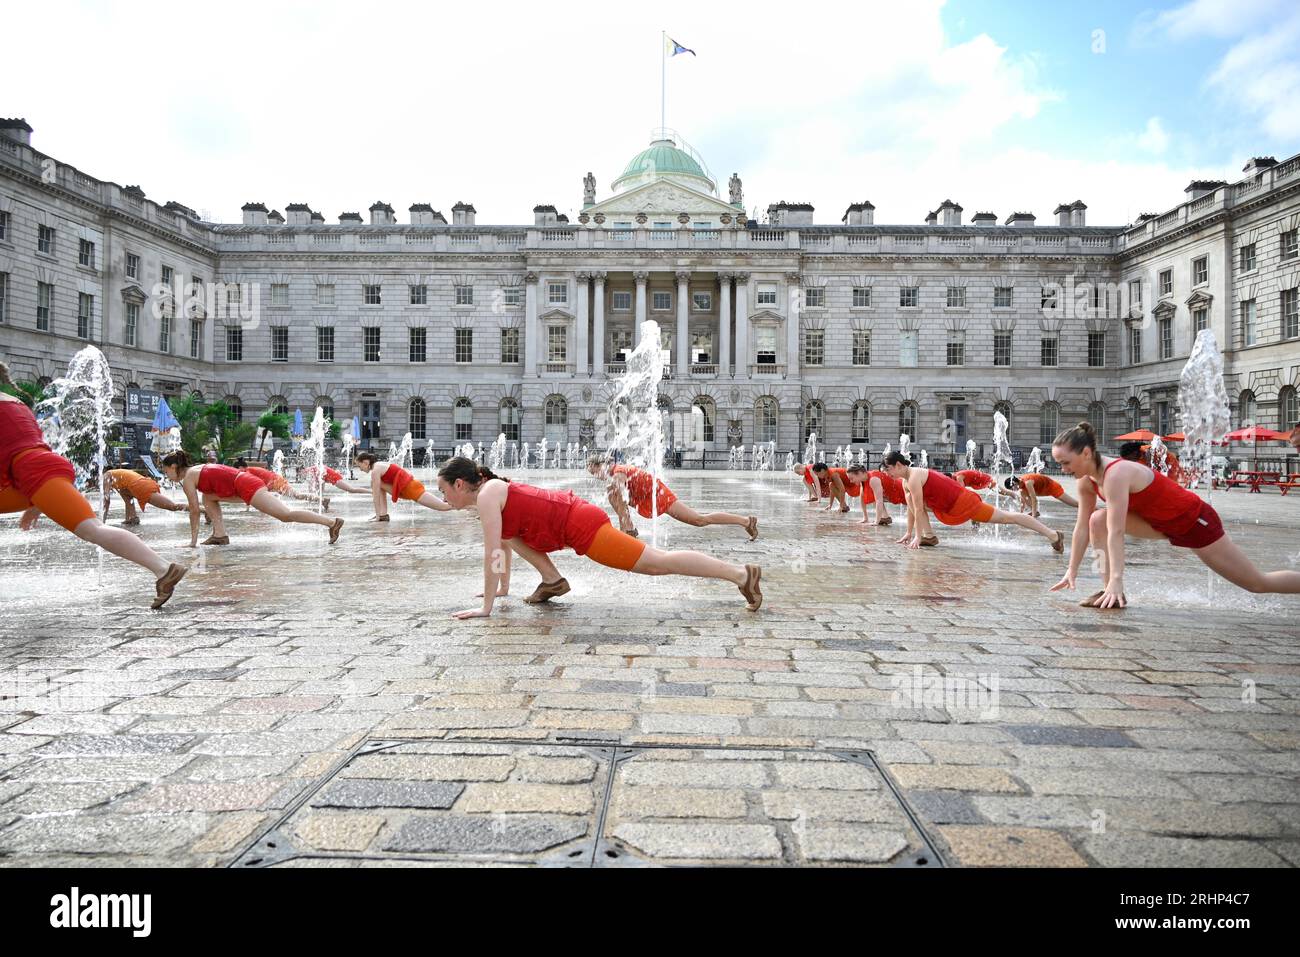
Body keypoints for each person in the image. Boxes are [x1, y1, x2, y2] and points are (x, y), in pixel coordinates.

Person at [434, 457, 762, 618]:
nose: (444, 497)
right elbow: (503, 544)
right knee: (510, 535)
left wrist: (487, 608)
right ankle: (551, 579)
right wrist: (503, 589)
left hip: (582, 526)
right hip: (575, 521)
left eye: (444, 490)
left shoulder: (489, 494)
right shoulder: (490, 495)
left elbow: (491, 551)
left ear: (460, 484)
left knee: (656, 564)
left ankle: (740, 574)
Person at [1050, 421, 1300, 609]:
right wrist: (1071, 570)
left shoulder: (1116, 474)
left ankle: (1114, 585)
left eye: (1066, 463)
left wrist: (1118, 577)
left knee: (1257, 583)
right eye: (1059, 463)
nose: (1062, 469)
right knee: (1096, 520)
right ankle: (1111, 594)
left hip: (1196, 522)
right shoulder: (1087, 482)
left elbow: (1116, 532)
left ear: (1085, 453)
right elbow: (1081, 528)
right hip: (1160, 524)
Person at [0, 362, 185, 608]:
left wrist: (36, 496)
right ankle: (162, 569)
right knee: (94, 529)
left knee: (94, 530)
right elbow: (20, 445)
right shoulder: (16, 403)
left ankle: (163, 568)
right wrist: (37, 501)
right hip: (46, 470)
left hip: (34, 474)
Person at [883, 451, 1064, 551]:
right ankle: (928, 536)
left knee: (1008, 517)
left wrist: (916, 536)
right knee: (912, 501)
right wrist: (909, 533)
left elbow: (918, 508)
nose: (889, 474)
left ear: (899, 465)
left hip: (963, 502)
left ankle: (1053, 535)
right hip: (950, 504)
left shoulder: (913, 477)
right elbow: (914, 508)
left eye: (889, 470)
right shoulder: (906, 480)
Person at [160, 451, 342, 546]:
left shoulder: (189, 478)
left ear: (174, 466)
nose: (166, 475)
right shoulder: (194, 471)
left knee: (285, 515)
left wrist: (192, 541)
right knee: (208, 498)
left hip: (246, 485)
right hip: (243, 484)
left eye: (166, 471)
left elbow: (193, 511)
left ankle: (331, 522)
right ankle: (219, 535)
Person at [587, 456, 757, 540]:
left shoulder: (618, 472)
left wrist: (621, 533)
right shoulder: (616, 475)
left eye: (595, 472)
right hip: (650, 497)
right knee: (611, 492)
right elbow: (621, 498)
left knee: (699, 520)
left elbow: (623, 496)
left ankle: (746, 521)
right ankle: (629, 530)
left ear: (602, 465)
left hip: (660, 496)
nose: (596, 476)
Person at [353, 450, 453, 521]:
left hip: (410, 488)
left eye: (359, 465)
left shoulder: (375, 471)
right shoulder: (378, 466)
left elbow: (376, 496)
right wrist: (379, 515)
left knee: (444, 507)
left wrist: (377, 517)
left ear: (366, 462)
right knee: (444, 505)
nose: (360, 469)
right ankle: (383, 514)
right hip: (408, 487)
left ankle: (466, 505)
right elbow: (379, 492)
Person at [100, 468, 185, 525]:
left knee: (173, 506)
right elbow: (129, 501)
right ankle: (132, 518)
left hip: (142, 487)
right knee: (124, 493)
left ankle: (196, 508)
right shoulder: (119, 478)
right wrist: (130, 519)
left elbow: (106, 499)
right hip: (143, 484)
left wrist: (101, 522)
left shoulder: (106, 476)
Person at [1003, 473, 1080, 516]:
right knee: (1022, 493)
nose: (1013, 490)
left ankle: (1088, 507)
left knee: (1075, 504)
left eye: (1012, 488)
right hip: (1042, 490)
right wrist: (1021, 513)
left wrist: (1033, 517)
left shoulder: (1027, 482)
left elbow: (1034, 499)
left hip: (1052, 488)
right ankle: (1036, 512)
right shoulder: (1022, 488)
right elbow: (1023, 501)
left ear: (1014, 483)